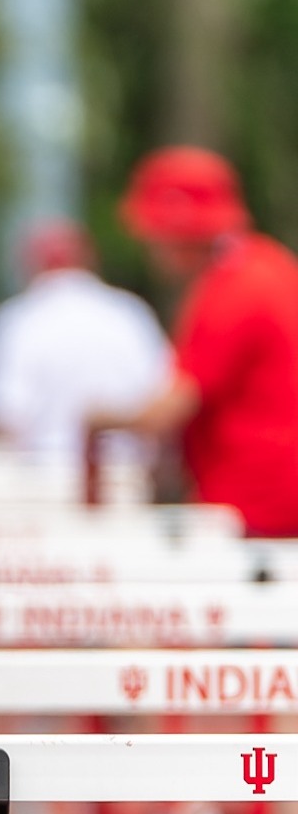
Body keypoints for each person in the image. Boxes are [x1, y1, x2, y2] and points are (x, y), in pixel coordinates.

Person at [90, 146, 298, 537]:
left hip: (259, 513)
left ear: (176, 232)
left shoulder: (232, 290)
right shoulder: (269, 264)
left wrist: (97, 418)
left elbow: (168, 410)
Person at [0, 218, 171, 462]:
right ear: (89, 258)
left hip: (44, 472)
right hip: (128, 469)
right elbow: (162, 397)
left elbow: (5, 415)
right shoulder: (129, 312)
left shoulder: (14, 319)